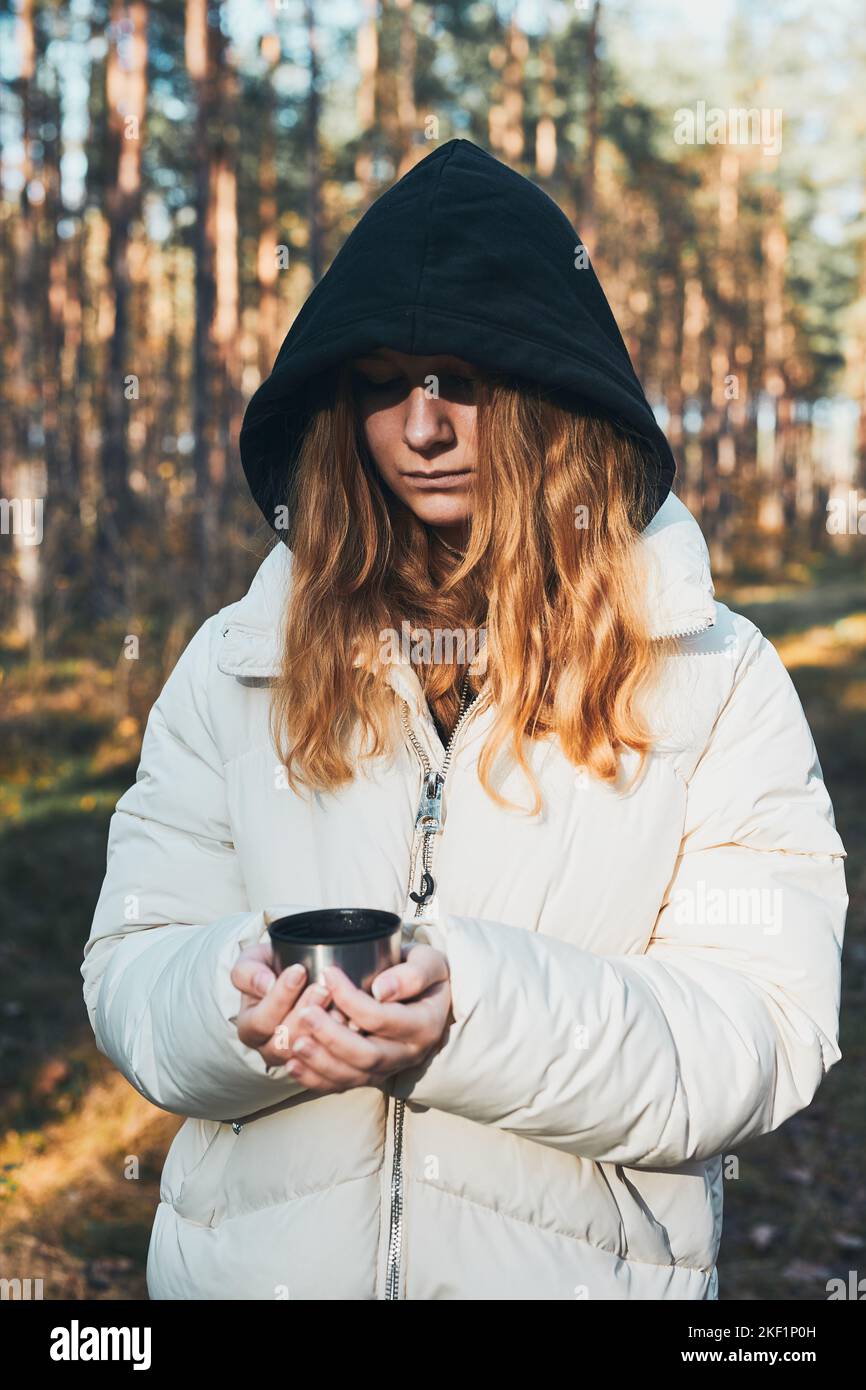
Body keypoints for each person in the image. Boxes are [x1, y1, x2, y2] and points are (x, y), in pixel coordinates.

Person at [81, 138, 848, 1301]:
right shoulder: (242, 662)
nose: (420, 426)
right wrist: (231, 998)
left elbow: (760, 1027)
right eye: (383, 380)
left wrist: (468, 1016)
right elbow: (132, 963)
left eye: (459, 376)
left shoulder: (709, 672)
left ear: (554, 394)